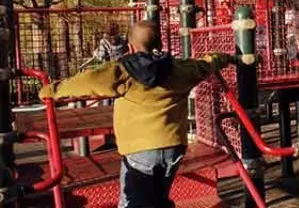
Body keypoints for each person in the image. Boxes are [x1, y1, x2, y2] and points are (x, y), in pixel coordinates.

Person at [39, 21, 235, 207]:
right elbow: (208, 63)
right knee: (160, 198)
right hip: (173, 146)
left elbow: (86, 82)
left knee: (133, 201)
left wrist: (50, 90)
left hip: (140, 150)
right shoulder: (181, 69)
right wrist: (228, 58)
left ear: (131, 47)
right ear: (160, 43)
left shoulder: (122, 71)